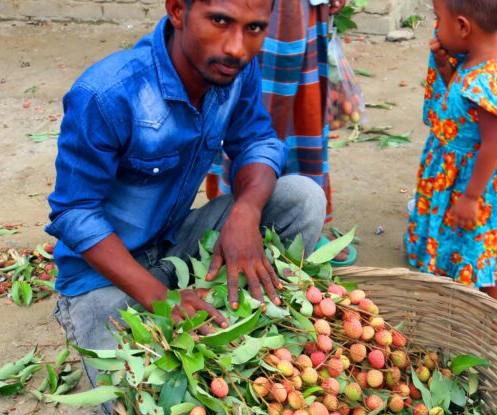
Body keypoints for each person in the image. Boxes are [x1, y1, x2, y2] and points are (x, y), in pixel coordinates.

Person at [47, 0, 327, 376]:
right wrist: (161, 298)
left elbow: (256, 142)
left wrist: (247, 211)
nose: (237, 47)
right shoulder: (107, 94)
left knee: (302, 199)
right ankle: (165, 318)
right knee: (142, 390)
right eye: (220, 21)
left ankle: (242, 319)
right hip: (103, 279)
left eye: (254, 29)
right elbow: (75, 212)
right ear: (178, 11)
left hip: (178, 245)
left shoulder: (234, 70)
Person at [403, 0, 497, 302]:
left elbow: (492, 145)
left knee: (485, 259)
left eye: (438, 20)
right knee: (456, 248)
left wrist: (470, 197)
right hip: (456, 180)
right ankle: (456, 315)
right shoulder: (474, 59)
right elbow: (461, 102)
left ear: (462, 26)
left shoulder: (489, 78)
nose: (436, 28)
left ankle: (496, 323)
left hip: (475, 188)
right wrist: (445, 67)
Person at [204, 0, 352, 263]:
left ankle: (291, 222)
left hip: (300, 11)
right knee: (247, 90)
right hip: (271, 14)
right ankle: (230, 220)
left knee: (296, 109)